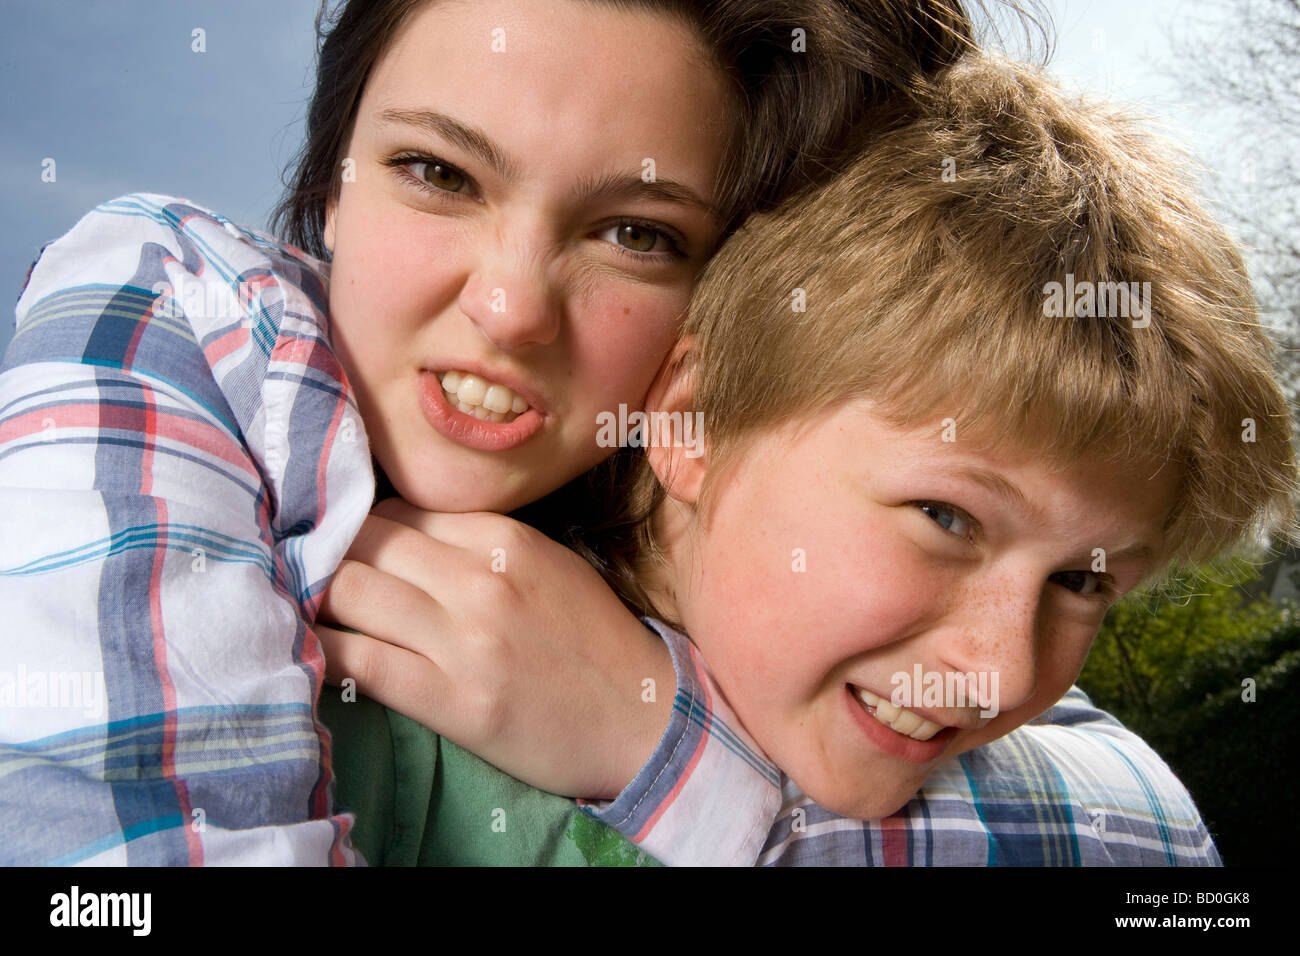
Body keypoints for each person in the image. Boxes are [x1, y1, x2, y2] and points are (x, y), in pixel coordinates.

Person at [0, 0, 980, 865]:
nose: (511, 307)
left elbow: (1089, 791)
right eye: (437, 171)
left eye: (636, 233)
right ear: (334, 187)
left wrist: (653, 734)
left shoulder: (752, 511)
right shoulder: (192, 302)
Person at [321, 52, 1295, 865]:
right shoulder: (365, 711)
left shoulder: (1103, 785)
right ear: (693, 423)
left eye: (1084, 578)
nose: (998, 674)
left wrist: (667, 750)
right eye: (945, 517)